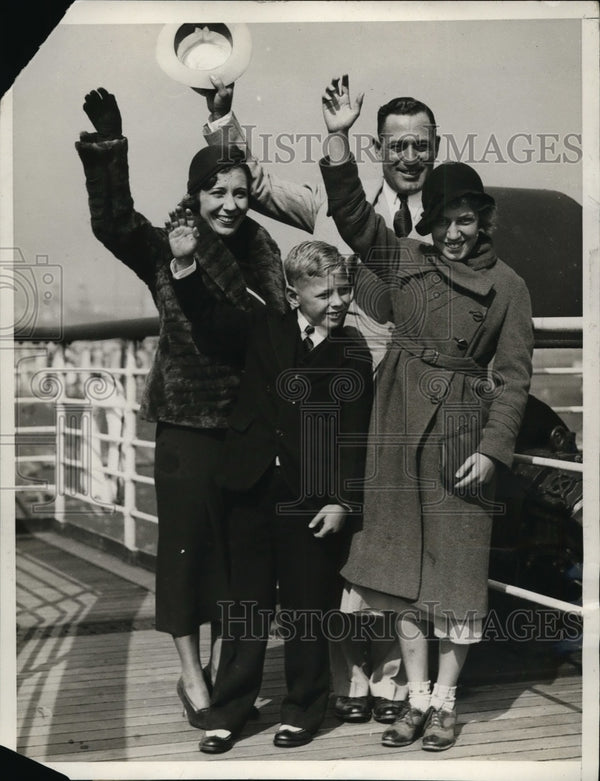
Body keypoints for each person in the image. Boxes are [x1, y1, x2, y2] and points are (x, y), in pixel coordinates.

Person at [200, 73, 441, 726]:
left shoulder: (447, 223)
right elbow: (257, 181)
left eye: (420, 146)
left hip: (412, 403)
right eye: (396, 145)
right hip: (343, 401)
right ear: (379, 148)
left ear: (434, 149)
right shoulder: (338, 207)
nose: (408, 157)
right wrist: (222, 117)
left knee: (393, 542)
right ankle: (345, 677)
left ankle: (394, 677)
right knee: (332, 551)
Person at [318, 77, 534, 751]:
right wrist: (339, 134)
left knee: (455, 583)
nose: (456, 232)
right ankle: (412, 700)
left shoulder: (509, 287)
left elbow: (515, 377)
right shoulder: (405, 259)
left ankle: (443, 703)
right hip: (397, 427)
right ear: (429, 222)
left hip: (462, 438)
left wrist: (493, 449)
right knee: (399, 581)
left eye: (467, 219)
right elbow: (352, 215)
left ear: (482, 220)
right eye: (445, 220)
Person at [75, 87, 287, 730]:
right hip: (185, 429)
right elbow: (112, 221)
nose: (228, 204)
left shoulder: (263, 254)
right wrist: (109, 144)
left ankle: (228, 680)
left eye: (239, 193)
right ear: (195, 195)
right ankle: (192, 677)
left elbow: (268, 330)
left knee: (240, 565)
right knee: (187, 555)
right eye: (216, 192)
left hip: (247, 428)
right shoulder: (167, 245)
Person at [171, 239, 374, 753]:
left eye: (343, 290)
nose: (337, 302)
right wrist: (185, 265)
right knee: (246, 609)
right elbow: (210, 319)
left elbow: (356, 432)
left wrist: (343, 501)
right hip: (250, 488)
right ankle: (230, 711)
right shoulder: (264, 328)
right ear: (291, 293)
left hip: (311, 500)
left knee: (309, 607)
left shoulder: (352, 350)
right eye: (324, 292)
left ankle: (304, 710)